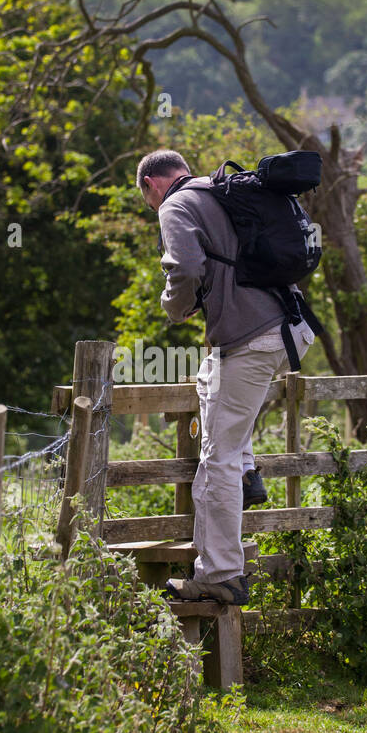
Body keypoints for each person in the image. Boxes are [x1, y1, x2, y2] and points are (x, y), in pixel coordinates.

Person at [137, 148, 314, 605]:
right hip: (285, 328)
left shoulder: (175, 204)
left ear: (152, 186)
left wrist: (175, 307)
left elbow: (186, 267)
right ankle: (247, 473)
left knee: (216, 459)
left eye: (148, 201)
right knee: (209, 377)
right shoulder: (220, 189)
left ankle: (221, 573)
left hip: (253, 339)